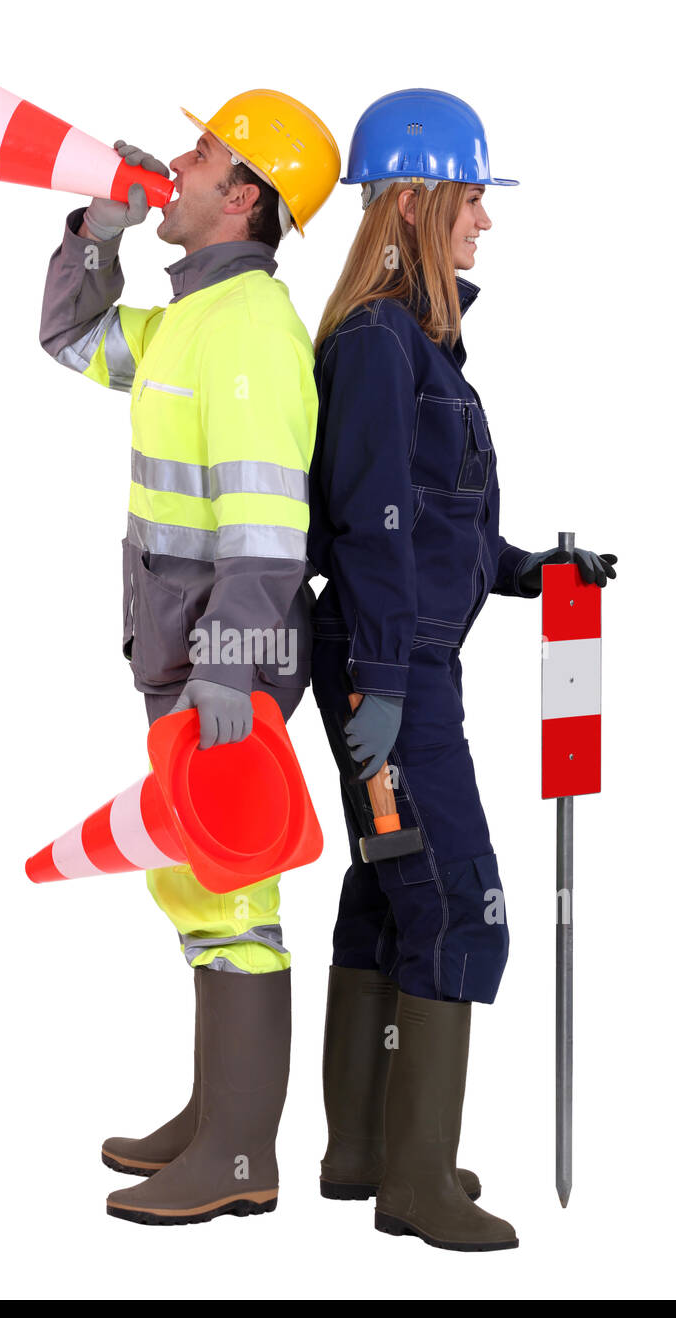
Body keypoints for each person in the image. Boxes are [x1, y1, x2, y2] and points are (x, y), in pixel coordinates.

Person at [307, 89, 616, 1251]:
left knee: (391, 888)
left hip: (395, 656)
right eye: (473, 196)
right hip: (391, 668)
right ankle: (416, 1184)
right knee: (457, 903)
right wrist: (384, 684)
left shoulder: (412, 346)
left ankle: (368, 1148)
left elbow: (436, 529)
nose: (483, 220)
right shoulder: (383, 345)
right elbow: (373, 523)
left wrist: (533, 570)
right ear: (415, 200)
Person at [40, 92, 339, 1224]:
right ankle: (216, 1116)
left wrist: (231, 668)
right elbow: (74, 341)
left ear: (243, 195)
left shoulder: (252, 327)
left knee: (235, 890)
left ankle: (237, 1156)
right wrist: (93, 239)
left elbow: (267, 526)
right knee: (194, 875)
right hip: (181, 646)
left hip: (223, 656)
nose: (179, 160)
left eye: (203, 152)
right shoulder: (191, 317)